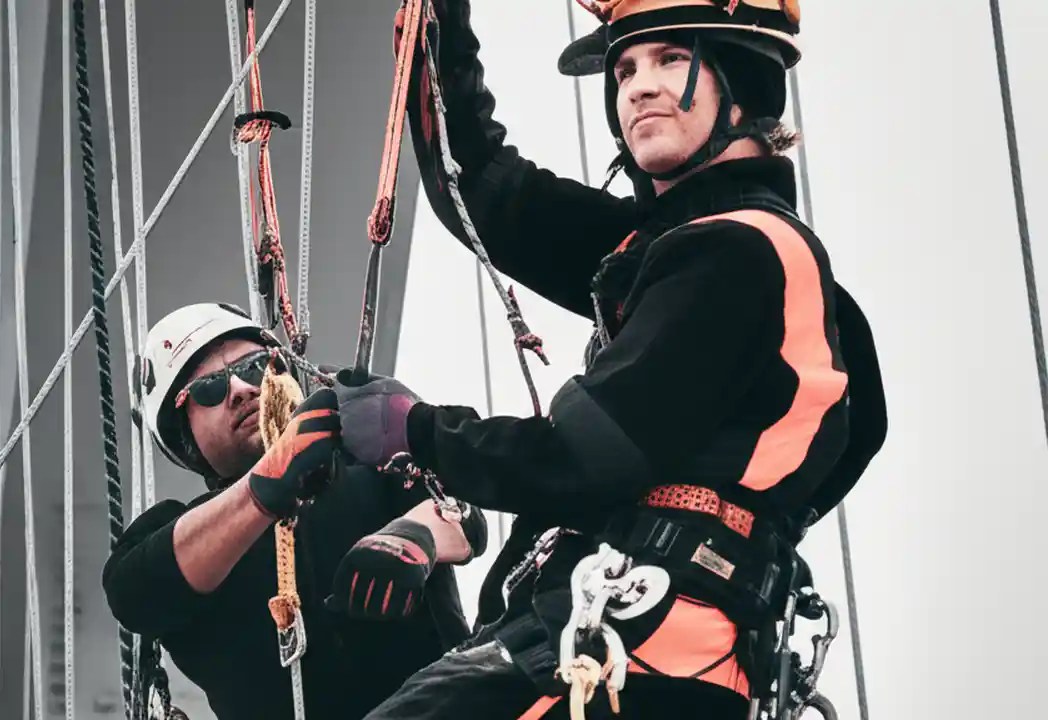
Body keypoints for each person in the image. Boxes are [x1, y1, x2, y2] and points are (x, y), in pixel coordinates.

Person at [330, 0, 888, 717]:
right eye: (624, 69)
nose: (639, 87)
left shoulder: (736, 252)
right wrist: (439, 22)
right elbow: (484, 191)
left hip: (626, 649)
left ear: (742, 85)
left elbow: (582, 457)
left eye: (670, 60)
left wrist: (417, 431)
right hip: (632, 646)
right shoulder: (685, 255)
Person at [100, 302, 488, 720]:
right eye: (210, 389)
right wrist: (262, 490)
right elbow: (135, 592)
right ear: (184, 433)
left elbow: (463, 518)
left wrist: (414, 536)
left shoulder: (369, 462)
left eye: (254, 368)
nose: (242, 390)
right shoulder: (172, 532)